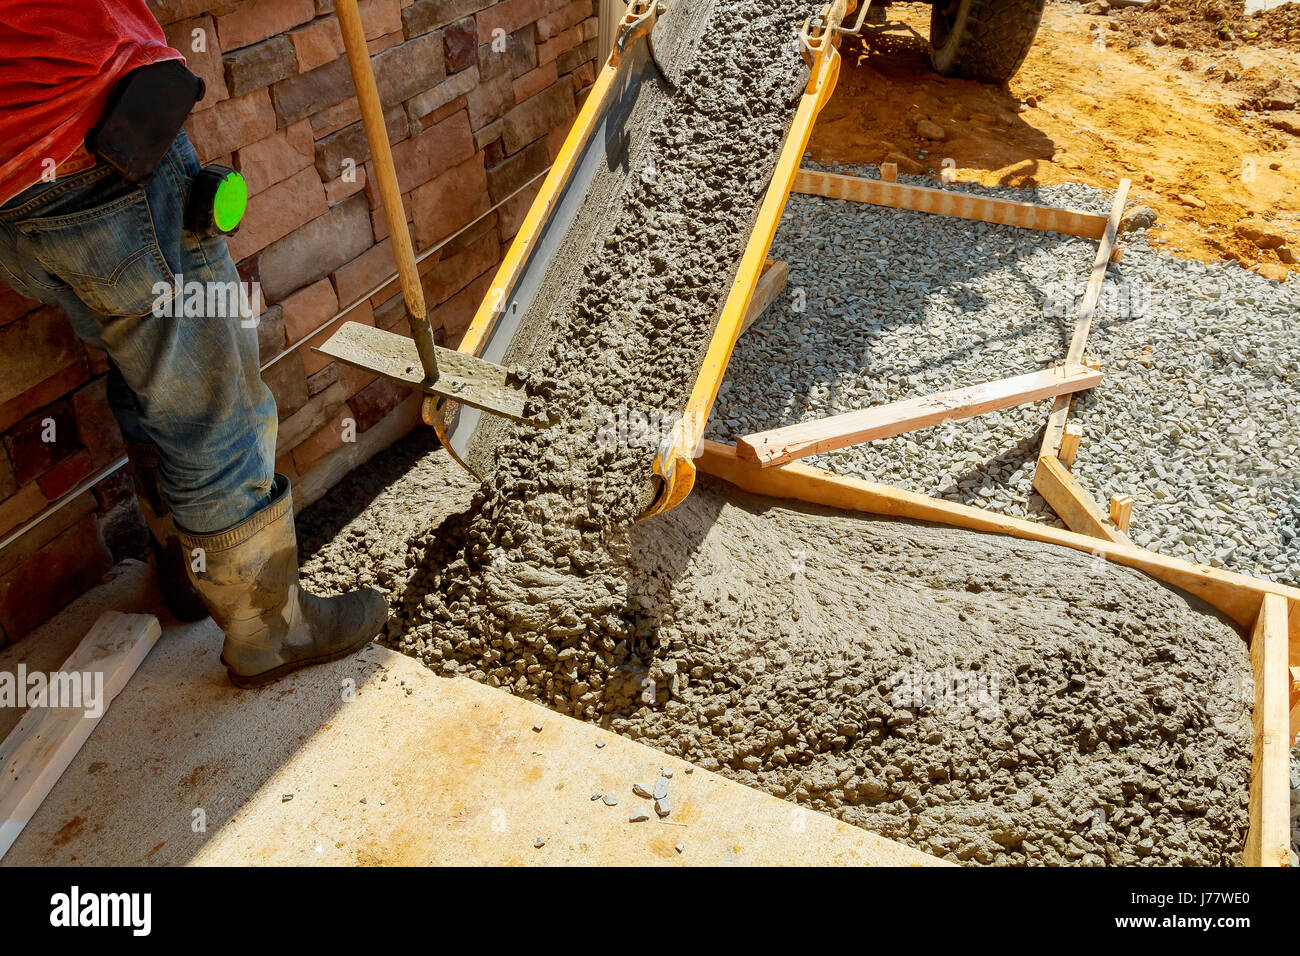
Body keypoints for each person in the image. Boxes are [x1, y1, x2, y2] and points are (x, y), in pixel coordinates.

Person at [0, 0, 387, 687]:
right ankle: (269, 631)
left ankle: (185, 572)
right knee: (214, 406)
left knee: (145, 370)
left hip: (16, 198)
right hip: (95, 142)